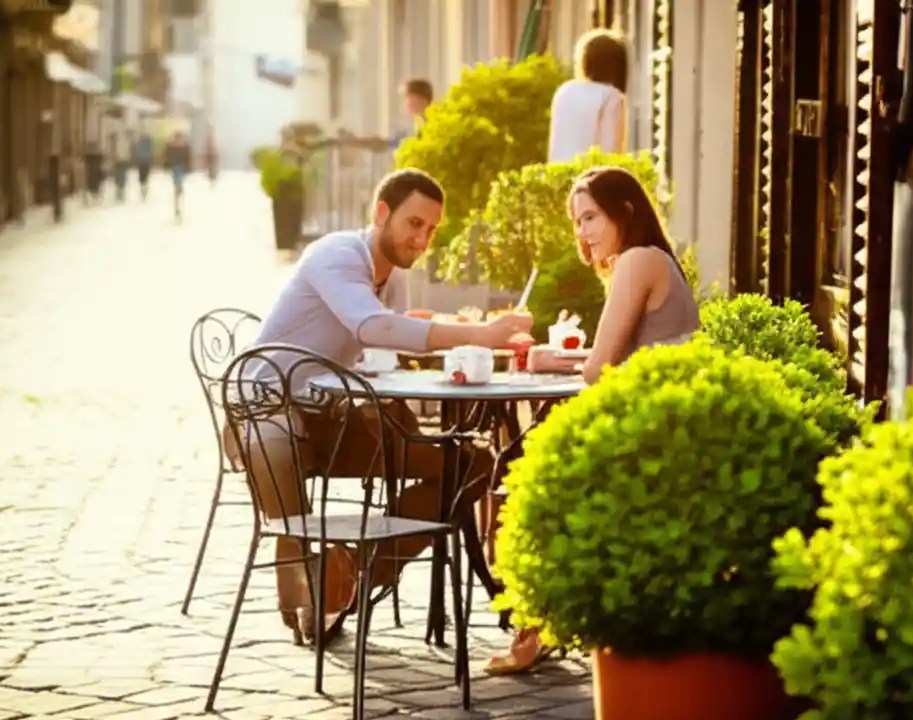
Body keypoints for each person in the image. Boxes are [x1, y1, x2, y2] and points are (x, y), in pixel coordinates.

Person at [226, 169, 534, 646]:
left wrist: (424, 336)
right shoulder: (336, 254)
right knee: (277, 441)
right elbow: (375, 328)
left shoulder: (391, 279)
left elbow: (383, 344)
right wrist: (479, 335)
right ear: (382, 213)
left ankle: (354, 568)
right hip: (268, 408)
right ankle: (307, 584)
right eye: (414, 224)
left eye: (431, 230)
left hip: (330, 415)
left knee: (470, 462)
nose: (422, 239)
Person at [484, 166, 700, 674]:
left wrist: (544, 359)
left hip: (650, 431)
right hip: (662, 422)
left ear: (625, 211)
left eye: (589, 217)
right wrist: (550, 358)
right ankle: (538, 622)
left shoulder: (637, 261)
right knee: (517, 464)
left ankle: (533, 624)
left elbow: (600, 368)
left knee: (522, 480)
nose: (581, 233)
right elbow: (612, 358)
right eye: (576, 221)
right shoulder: (653, 261)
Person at [547, 29, 630, 163]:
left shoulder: (565, 90)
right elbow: (611, 152)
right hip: (592, 177)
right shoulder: (611, 96)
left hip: (559, 176)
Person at [163, 132, 191, 218]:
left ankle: (178, 203)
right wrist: (166, 166)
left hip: (181, 169)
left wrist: (189, 167)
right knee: (177, 186)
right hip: (176, 169)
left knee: (179, 186)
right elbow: (167, 157)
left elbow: (188, 158)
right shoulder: (172, 147)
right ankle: (177, 205)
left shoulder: (185, 147)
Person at [132, 131, 155, 200]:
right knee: (144, 176)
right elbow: (151, 152)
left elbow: (136, 152)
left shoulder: (143, 143)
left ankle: (143, 187)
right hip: (144, 161)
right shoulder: (147, 144)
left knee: (143, 176)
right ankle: (143, 187)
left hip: (143, 161)